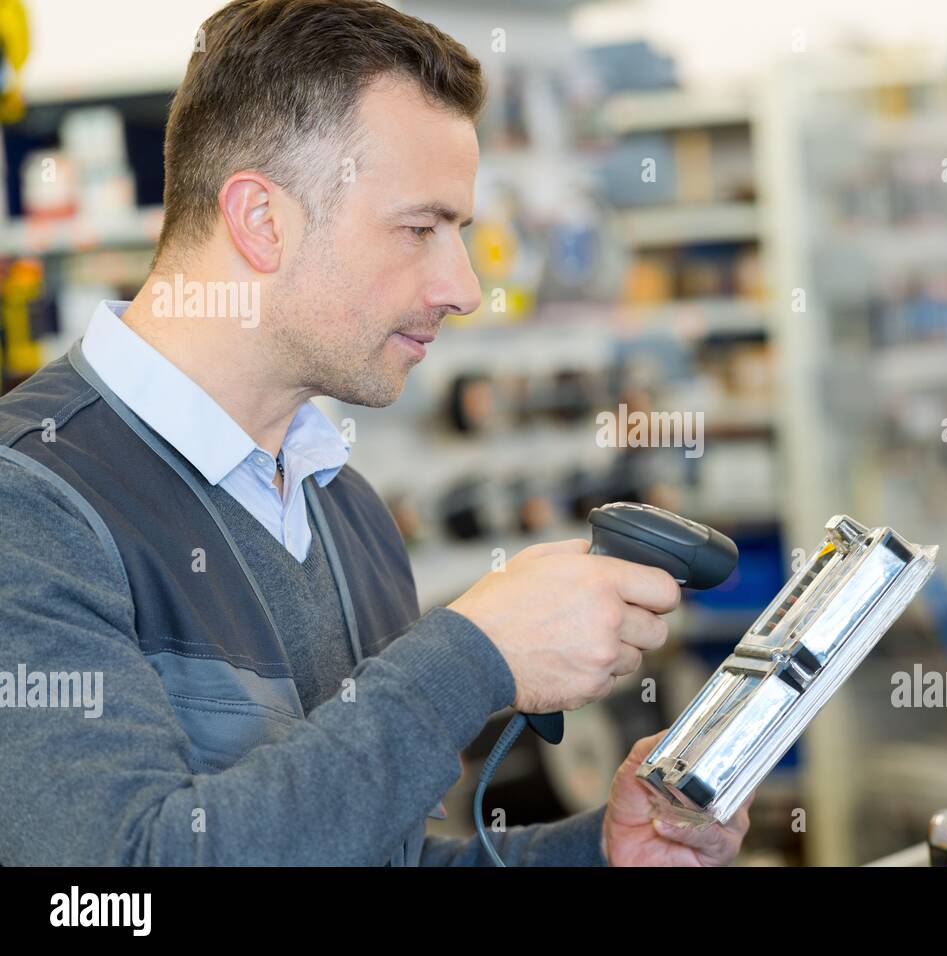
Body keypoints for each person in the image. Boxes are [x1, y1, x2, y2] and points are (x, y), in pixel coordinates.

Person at [0, 0, 749, 866]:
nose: (464, 287)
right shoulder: (32, 505)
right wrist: (474, 656)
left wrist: (600, 854)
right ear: (260, 221)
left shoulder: (339, 501)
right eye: (419, 228)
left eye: (459, 232)